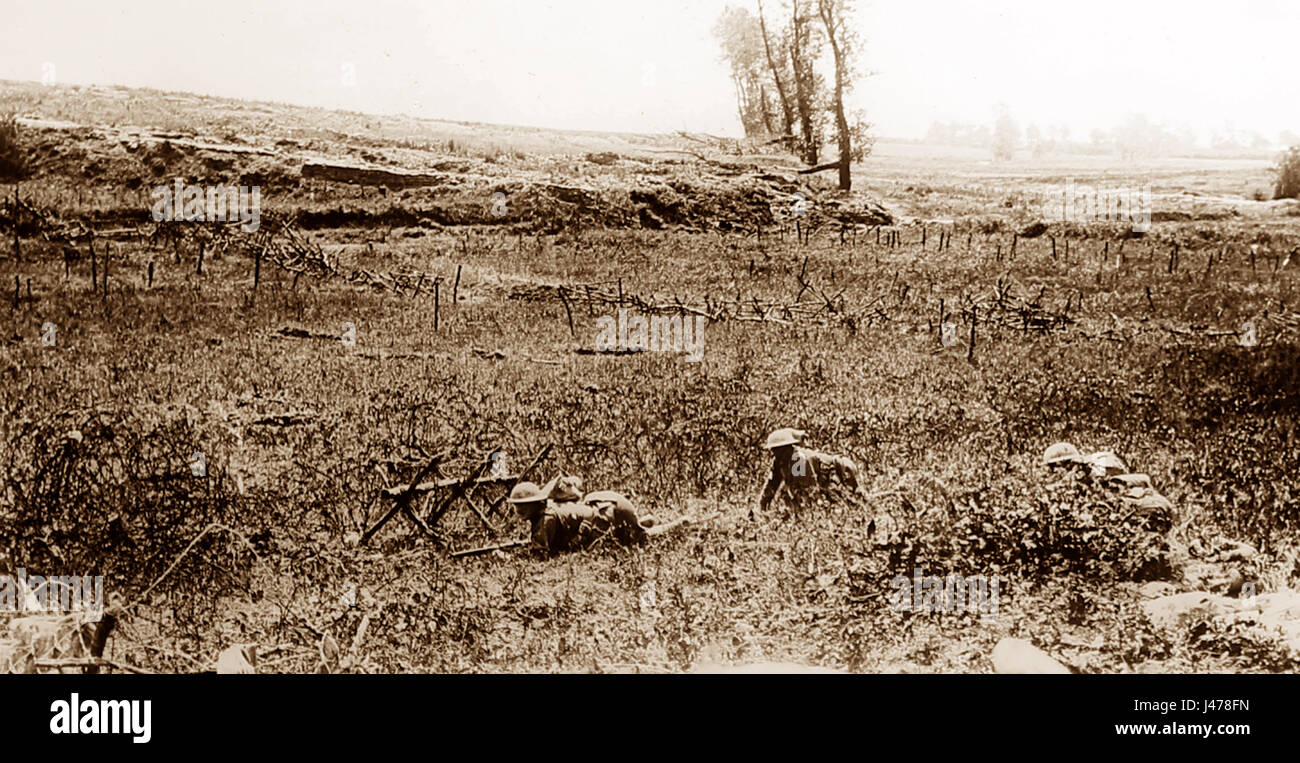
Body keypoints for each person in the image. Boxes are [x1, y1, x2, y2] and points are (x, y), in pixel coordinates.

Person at [507, 477, 690, 555]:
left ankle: (679, 524)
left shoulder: (546, 518)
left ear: (536, 504)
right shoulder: (549, 511)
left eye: (523, 506)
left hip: (609, 513)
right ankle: (641, 522)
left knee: (642, 538)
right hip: (608, 507)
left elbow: (540, 554)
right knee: (630, 533)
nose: (518, 510)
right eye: (517, 506)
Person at [754, 428, 865, 520]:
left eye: (777, 450)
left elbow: (806, 491)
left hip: (841, 473)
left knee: (854, 503)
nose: (774, 454)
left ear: (787, 448)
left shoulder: (798, 459)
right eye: (773, 450)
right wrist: (760, 511)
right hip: (825, 482)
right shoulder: (780, 462)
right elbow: (770, 488)